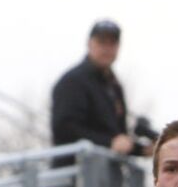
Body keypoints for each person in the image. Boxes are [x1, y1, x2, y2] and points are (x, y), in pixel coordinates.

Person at [50, 19, 138, 157]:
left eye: (112, 43)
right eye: (102, 42)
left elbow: (118, 136)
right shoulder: (73, 81)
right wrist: (109, 142)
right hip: (75, 173)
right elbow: (65, 129)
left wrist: (143, 149)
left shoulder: (114, 86)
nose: (107, 48)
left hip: (107, 174)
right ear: (89, 43)